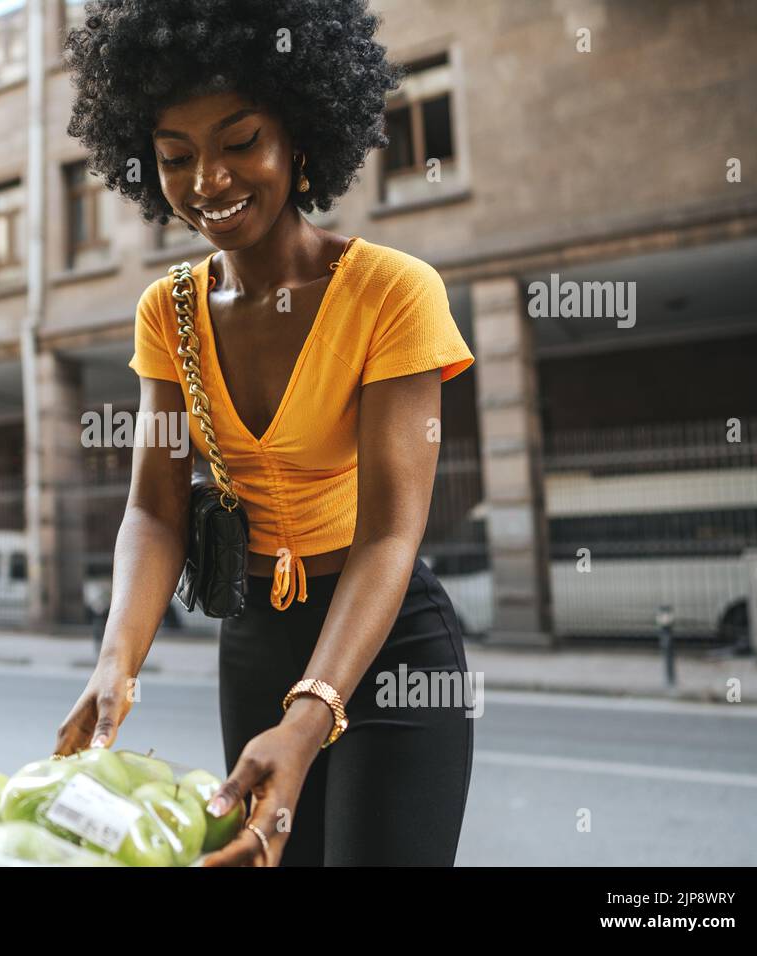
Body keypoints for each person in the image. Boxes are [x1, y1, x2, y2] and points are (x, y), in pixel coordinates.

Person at [54, 0, 476, 866]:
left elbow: (393, 531)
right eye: (176, 156)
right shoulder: (165, 313)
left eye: (240, 141)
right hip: (253, 640)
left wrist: (312, 709)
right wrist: (115, 663)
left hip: (386, 639)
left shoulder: (395, 292)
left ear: (302, 137)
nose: (207, 179)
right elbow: (158, 511)